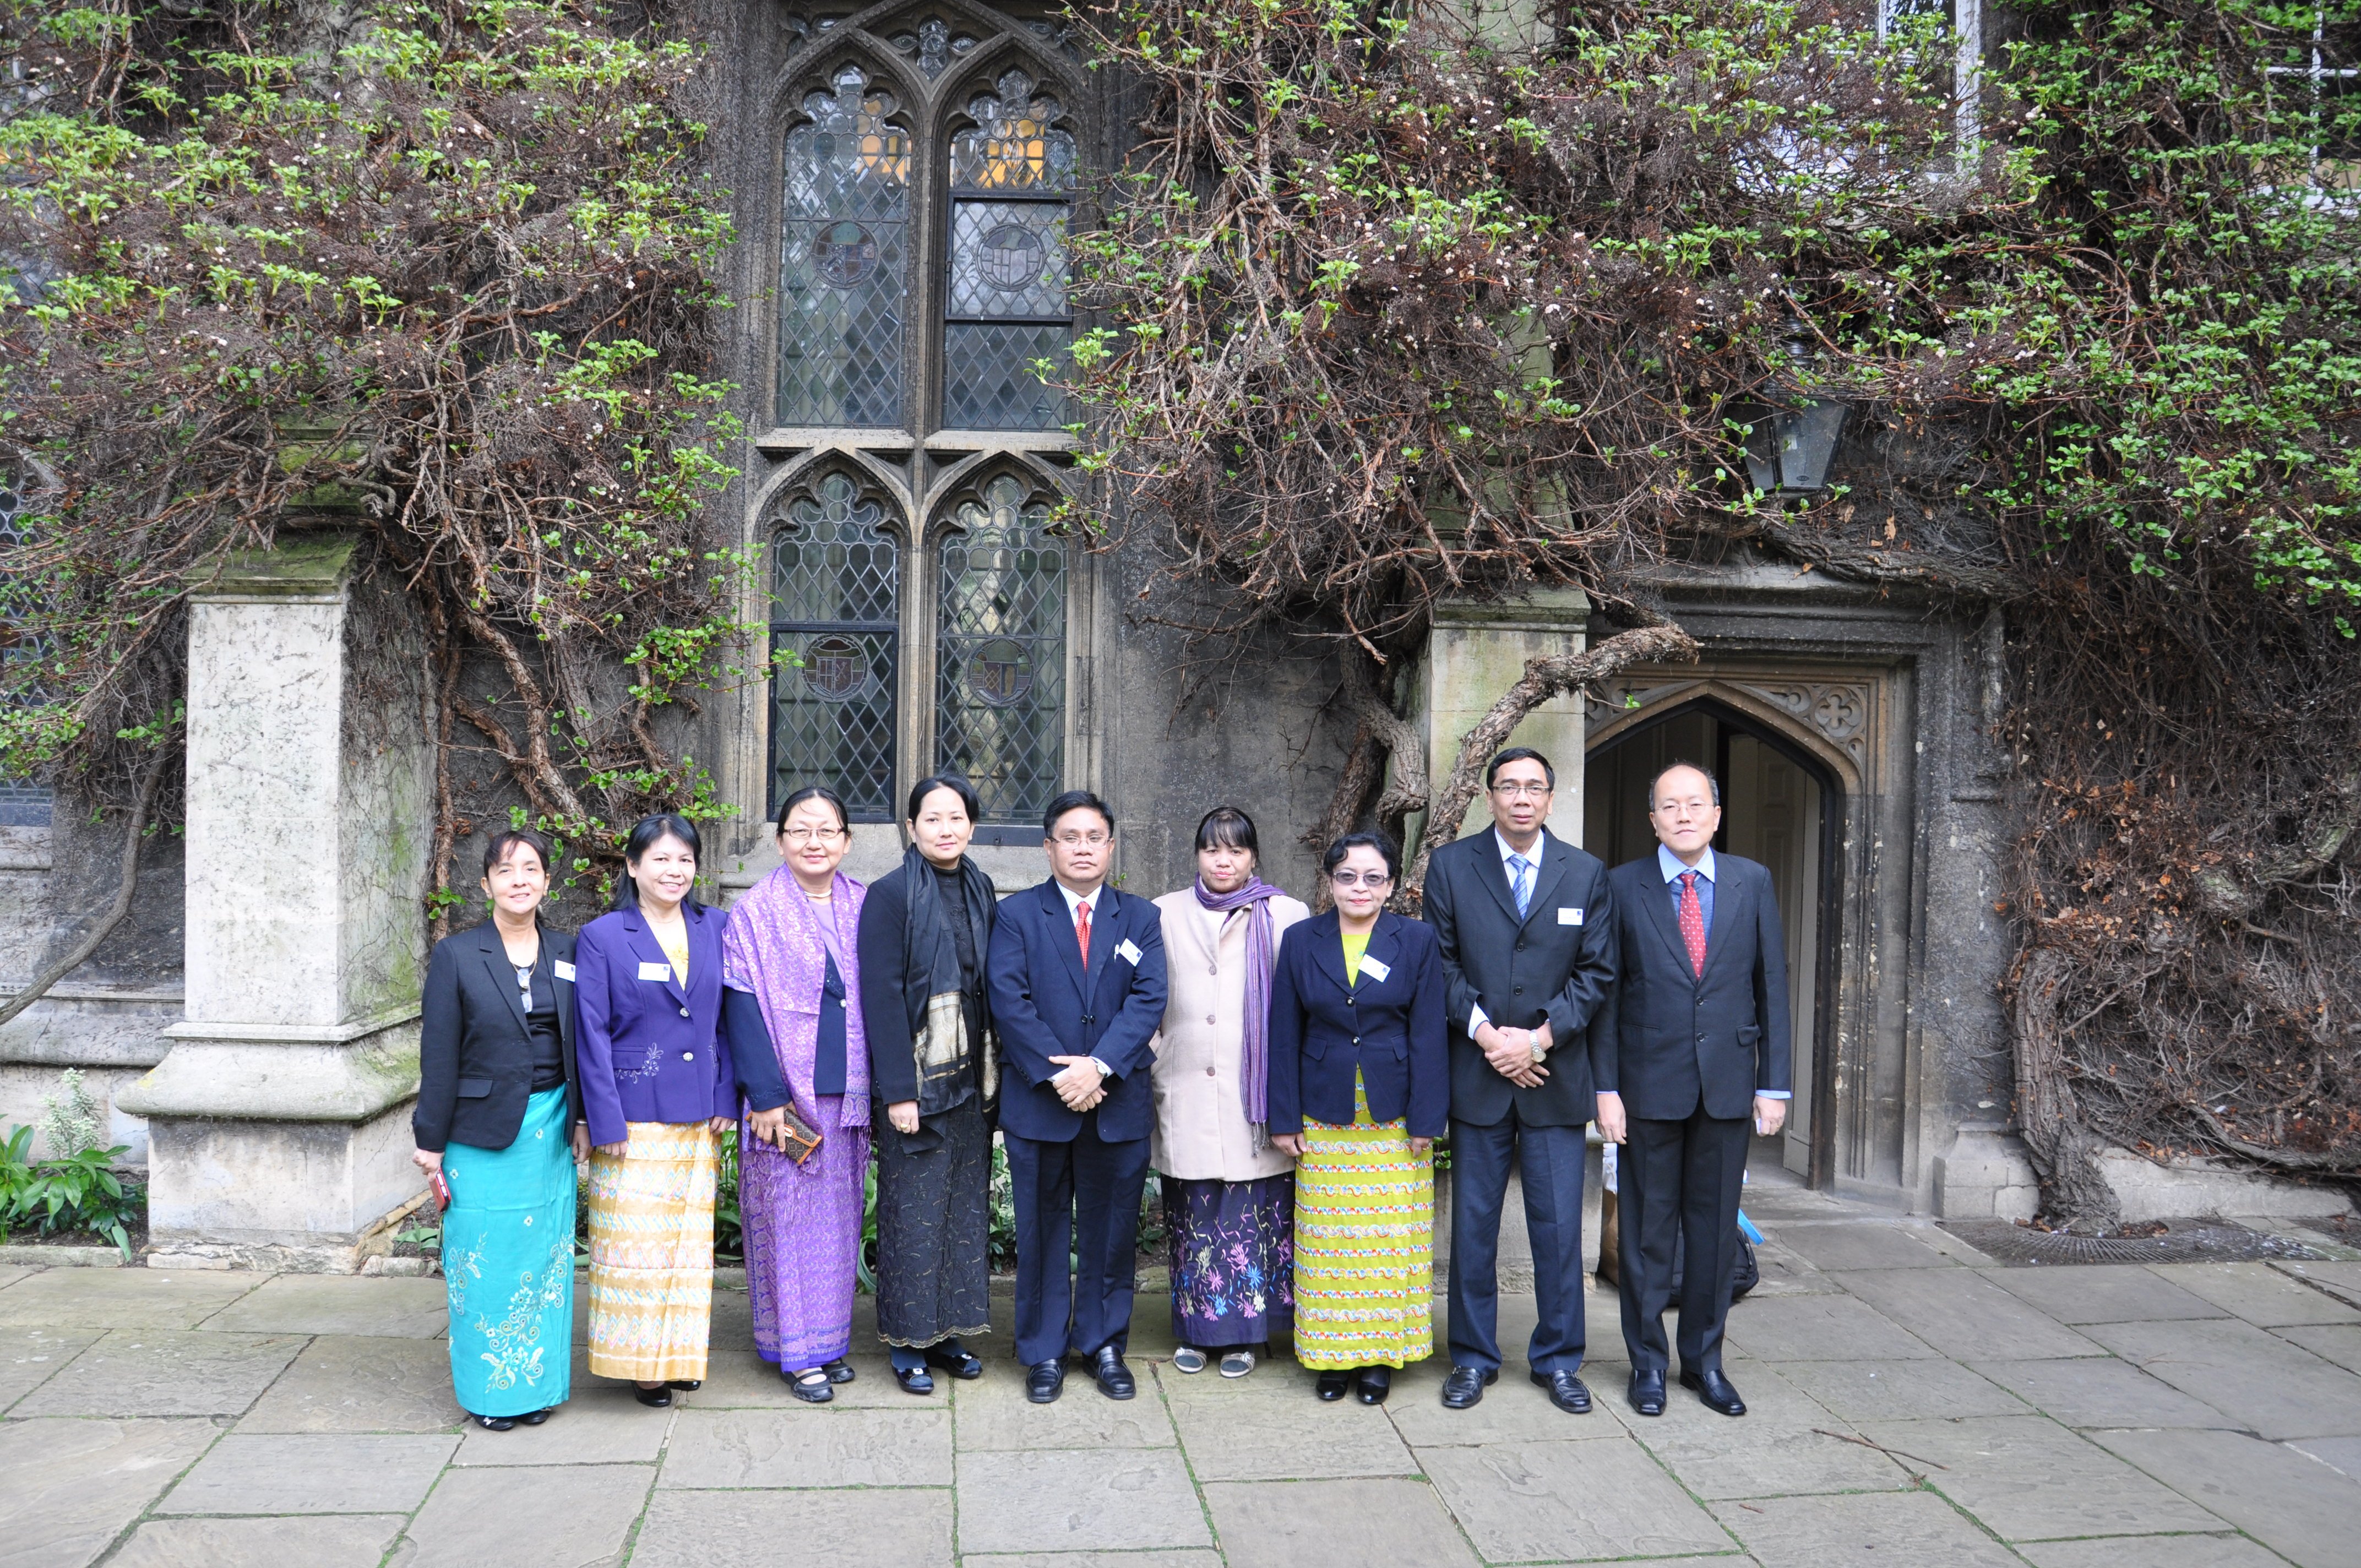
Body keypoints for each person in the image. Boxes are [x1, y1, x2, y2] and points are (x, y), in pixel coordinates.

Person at [1591, 761, 1791, 1419]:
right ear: (1652, 819)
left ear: (1716, 814)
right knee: (1646, 1234)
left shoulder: (1750, 881)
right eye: (1669, 805)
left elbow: (1771, 985)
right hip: (1646, 1088)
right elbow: (1606, 996)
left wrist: (1774, 1085)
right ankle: (1647, 1364)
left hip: (1728, 1086)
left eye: (1695, 803)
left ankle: (1704, 1363)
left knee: (1712, 1235)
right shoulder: (1620, 885)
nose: (1683, 815)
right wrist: (1605, 1089)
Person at [1422, 747, 1616, 1415]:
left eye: (1534, 787)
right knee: (1472, 1229)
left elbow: (1596, 972)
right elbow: (1440, 964)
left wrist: (1534, 1041)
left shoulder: (1585, 872)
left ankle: (1558, 1360)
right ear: (1490, 796)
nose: (1522, 798)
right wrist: (1488, 1037)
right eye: (1509, 786)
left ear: (1550, 798)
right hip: (1477, 1076)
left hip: (1553, 1077)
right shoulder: (1452, 866)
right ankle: (1472, 1358)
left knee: (1558, 1231)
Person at [986, 788, 1169, 1404]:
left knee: (1111, 1230)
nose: (1083, 848)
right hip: (1040, 1103)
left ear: (1111, 846)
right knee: (1039, 1232)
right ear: (1049, 847)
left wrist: (1099, 1068)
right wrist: (1062, 1075)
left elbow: (1149, 997)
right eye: (1071, 837)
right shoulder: (1017, 916)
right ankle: (1042, 1351)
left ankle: (1103, 1344)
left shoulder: (1140, 917)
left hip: (1116, 1102)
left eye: (1094, 837)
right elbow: (1009, 1001)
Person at [1267, 830, 1446, 1406]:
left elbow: (1429, 1032)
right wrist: (1283, 1117)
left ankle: (1378, 1360)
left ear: (1391, 885)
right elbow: (1283, 1032)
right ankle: (1332, 1357)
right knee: (1329, 1244)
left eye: (1373, 878)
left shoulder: (1416, 940)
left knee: (1387, 1243)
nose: (1360, 888)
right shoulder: (1301, 940)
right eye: (1347, 876)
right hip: (1324, 1115)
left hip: (1394, 1119)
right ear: (1330, 881)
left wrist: (1427, 1119)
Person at [412, 829, 581, 1433]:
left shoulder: (569, 950)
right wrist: (429, 1141)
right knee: (484, 1260)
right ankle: (490, 1394)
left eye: (531, 868)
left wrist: (583, 1117)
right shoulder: (457, 955)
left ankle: (537, 1387)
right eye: (506, 870)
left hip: (551, 1123)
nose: (519, 880)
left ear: (547, 881)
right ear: (485, 884)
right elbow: (439, 1054)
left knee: (545, 1259)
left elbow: (584, 1042)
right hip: (479, 1132)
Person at [574, 813, 738, 1409]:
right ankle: (642, 1366)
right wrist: (604, 1119)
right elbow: (590, 1033)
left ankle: (679, 1356)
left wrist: (727, 1094)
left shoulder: (717, 925)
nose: (675, 870)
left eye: (685, 859)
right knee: (636, 1252)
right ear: (633, 865)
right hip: (634, 1113)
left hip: (699, 1111)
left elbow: (730, 1020)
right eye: (661, 859)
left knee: (687, 1250)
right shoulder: (603, 936)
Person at [1150, 807, 1310, 1378]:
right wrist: (1157, 1054)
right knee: (1193, 1212)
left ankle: (1246, 1335)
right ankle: (1195, 1332)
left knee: (1251, 1212)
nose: (1223, 861)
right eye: (1212, 849)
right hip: (1186, 1082)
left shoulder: (1286, 914)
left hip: (1256, 1092)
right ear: (1197, 854)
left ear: (1253, 856)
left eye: (1236, 850)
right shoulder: (1164, 912)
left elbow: (1300, 1003)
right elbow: (1145, 996)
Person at [721, 786, 869, 1402]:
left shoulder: (864, 903)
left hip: (848, 1096)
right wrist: (765, 1095)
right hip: (782, 1099)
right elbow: (739, 1004)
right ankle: (797, 1353)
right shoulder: (754, 912)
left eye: (827, 830)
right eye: (800, 830)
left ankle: (828, 1343)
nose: (814, 842)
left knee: (837, 1226)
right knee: (785, 1223)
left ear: (846, 842)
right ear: (780, 841)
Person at [856, 775, 998, 1395]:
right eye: (932, 819)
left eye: (956, 817)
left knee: (961, 1211)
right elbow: (882, 996)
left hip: (972, 1079)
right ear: (911, 827)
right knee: (912, 1212)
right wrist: (899, 1092)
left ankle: (949, 1333)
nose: (945, 829)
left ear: (972, 825)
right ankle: (908, 1341)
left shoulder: (981, 887)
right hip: (918, 1081)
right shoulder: (889, 895)